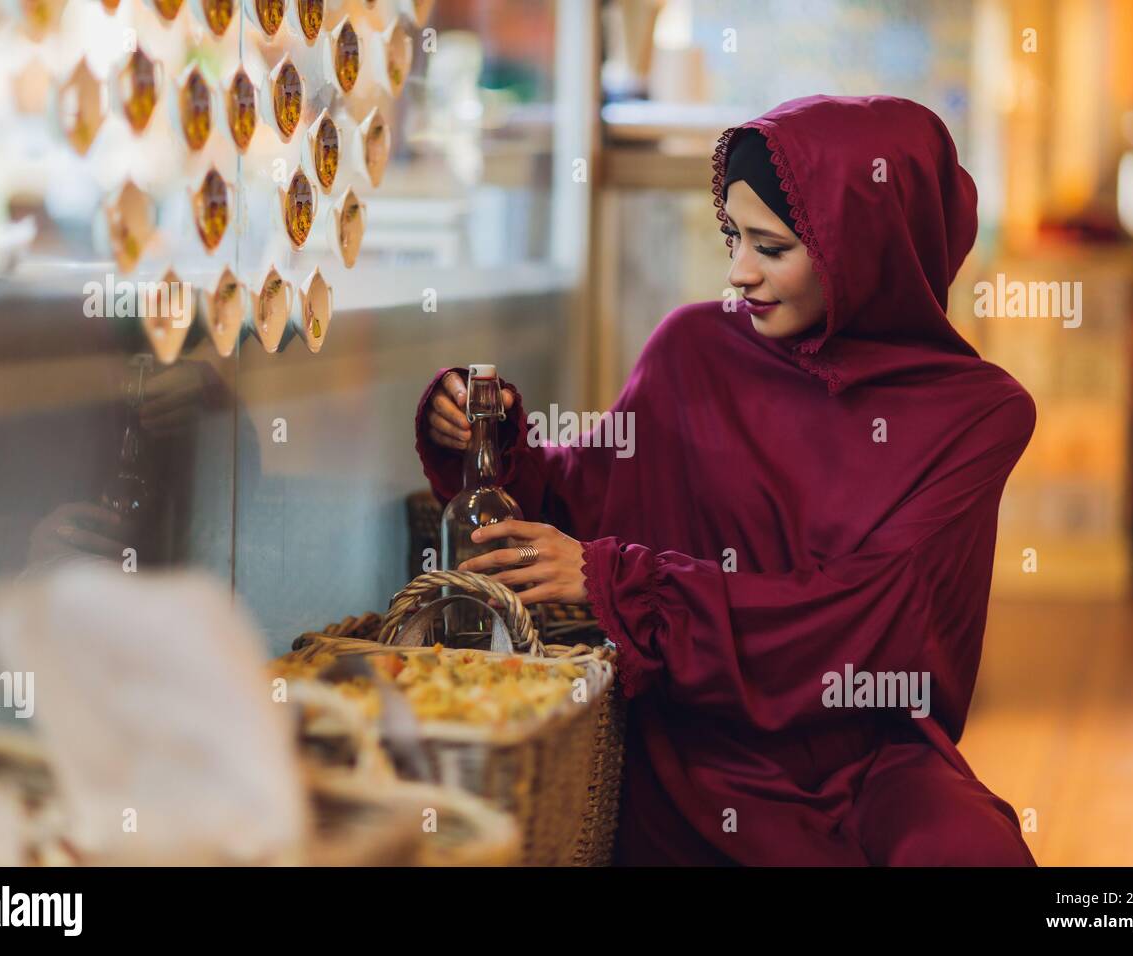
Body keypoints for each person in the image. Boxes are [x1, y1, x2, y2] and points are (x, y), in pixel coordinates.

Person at [415, 94, 1037, 866]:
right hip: (702, 744)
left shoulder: (979, 413)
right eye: (730, 236)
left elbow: (874, 615)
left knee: (968, 851)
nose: (739, 273)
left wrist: (626, 582)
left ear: (869, 248)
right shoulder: (693, 350)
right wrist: (488, 434)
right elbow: (574, 502)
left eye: (771, 247)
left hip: (870, 752)